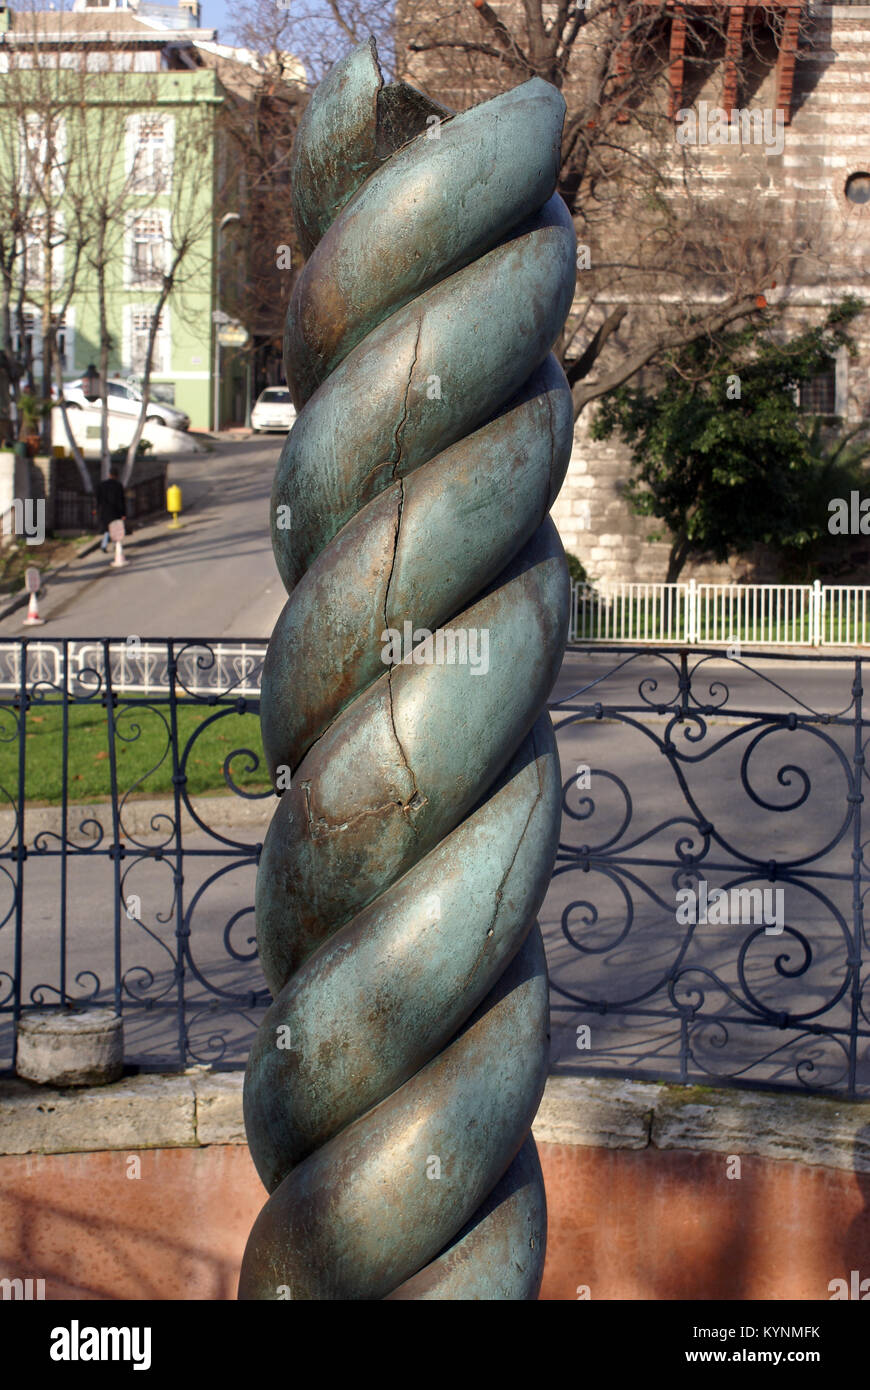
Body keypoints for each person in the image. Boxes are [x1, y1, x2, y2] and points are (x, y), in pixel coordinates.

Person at [97, 466, 126, 552]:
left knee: (107, 529)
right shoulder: (118, 486)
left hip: (105, 511)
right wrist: (123, 513)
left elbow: (98, 498)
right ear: (117, 475)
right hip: (115, 512)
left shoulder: (102, 485)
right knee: (115, 529)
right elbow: (121, 500)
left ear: (109, 474)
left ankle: (104, 544)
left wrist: (97, 508)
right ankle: (115, 545)